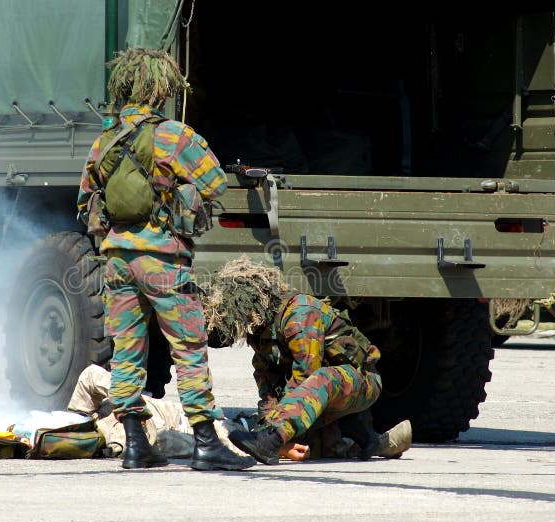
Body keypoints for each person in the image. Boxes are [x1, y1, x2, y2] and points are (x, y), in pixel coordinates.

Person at [76, 47, 254, 471]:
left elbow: (86, 202)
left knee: (126, 353)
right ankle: (207, 442)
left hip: (118, 262)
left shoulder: (104, 142)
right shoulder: (173, 136)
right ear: (160, 88)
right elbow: (215, 183)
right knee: (189, 348)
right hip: (164, 263)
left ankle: (136, 444)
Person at [202, 256, 411, 465]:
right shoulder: (260, 330)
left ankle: (273, 439)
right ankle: (366, 437)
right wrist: (267, 427)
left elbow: (307, 378)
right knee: (318, 449)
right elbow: (268, 387)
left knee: (320, 379)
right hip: (323, 393)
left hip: (362, 382)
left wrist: (274, 438)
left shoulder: (300, 314)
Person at [67, 363, 312, 461]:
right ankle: (271, 443)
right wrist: (278, 448)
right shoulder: (111, 437)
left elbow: (90, 375)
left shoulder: (88, 414)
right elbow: (223, 438)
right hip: (169, 426)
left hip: (154, 416)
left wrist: (120, 400)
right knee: (210, 437)